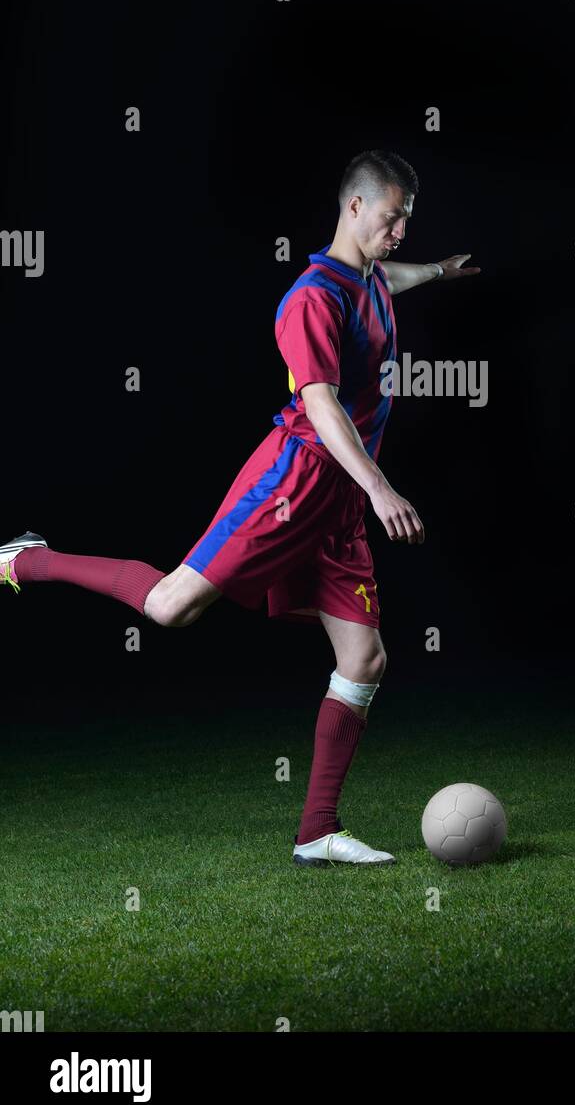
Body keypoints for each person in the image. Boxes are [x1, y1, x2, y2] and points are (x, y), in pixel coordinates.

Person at [1, 149, 480, 867]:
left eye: (408, 217)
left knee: (365, 655)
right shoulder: (312, 298)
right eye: (392, 217)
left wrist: (437, 271)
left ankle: (317, 831)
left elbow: (393, 280)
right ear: (354, 208)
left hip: (339, 501)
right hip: (293, 483)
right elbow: (317, 402)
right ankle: (23, 560)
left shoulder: (371, 276)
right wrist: (380, 486)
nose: (401, 230)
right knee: (168, 607)